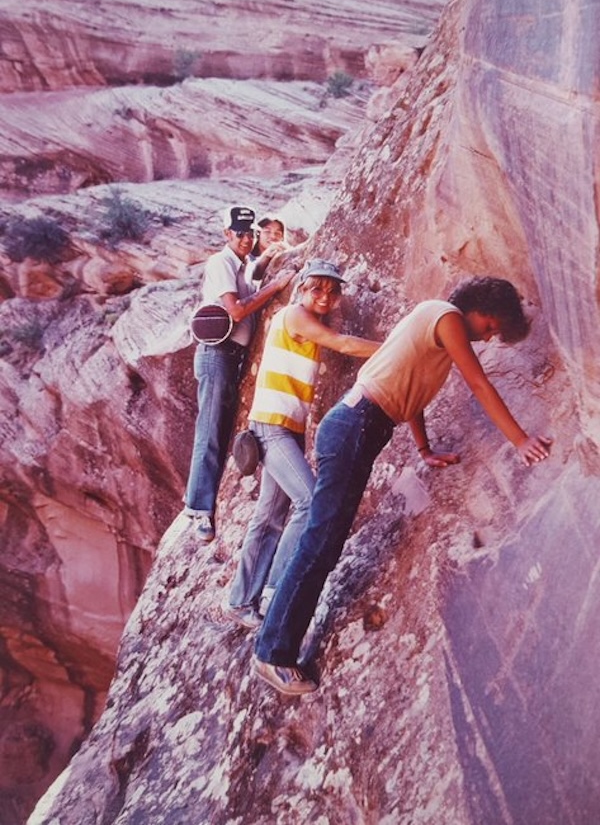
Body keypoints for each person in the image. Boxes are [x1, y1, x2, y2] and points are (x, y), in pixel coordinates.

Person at [252, 276, 553, 695]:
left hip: (359, 425)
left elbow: (408, 390)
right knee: (320, 542)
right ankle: (272, 653)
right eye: (490, 327)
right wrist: (521, 440)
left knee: (324, 540)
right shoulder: (447, 318)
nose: (487, 337)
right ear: (480, 309)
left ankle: (274, 644)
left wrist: (424, 447)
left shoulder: (431, 320)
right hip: (356, 425)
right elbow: (480, 383)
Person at [227, 259, 381, 628]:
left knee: (268, 517)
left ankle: (240, 601)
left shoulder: (310, 319)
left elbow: (335, 331)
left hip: (286, 428)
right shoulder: (294, 316)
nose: (325, 296)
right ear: (301, 290)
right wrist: (396, 346)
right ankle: (274, 591)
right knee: (310, 502)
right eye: (317, 288)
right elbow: (342, 343)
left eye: (332, 290)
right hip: (271, 427)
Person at [183, 205, 295, 543]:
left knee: (221, 428)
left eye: (250, 233)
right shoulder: (221, 263)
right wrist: (275, 287)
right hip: (217, 354)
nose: (246, 239)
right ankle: (199, 510)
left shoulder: (244, 265)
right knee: (210, 430)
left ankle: (202, 499)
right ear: (226, 234)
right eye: (239, 232)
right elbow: (235, 310)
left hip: (231, 356)